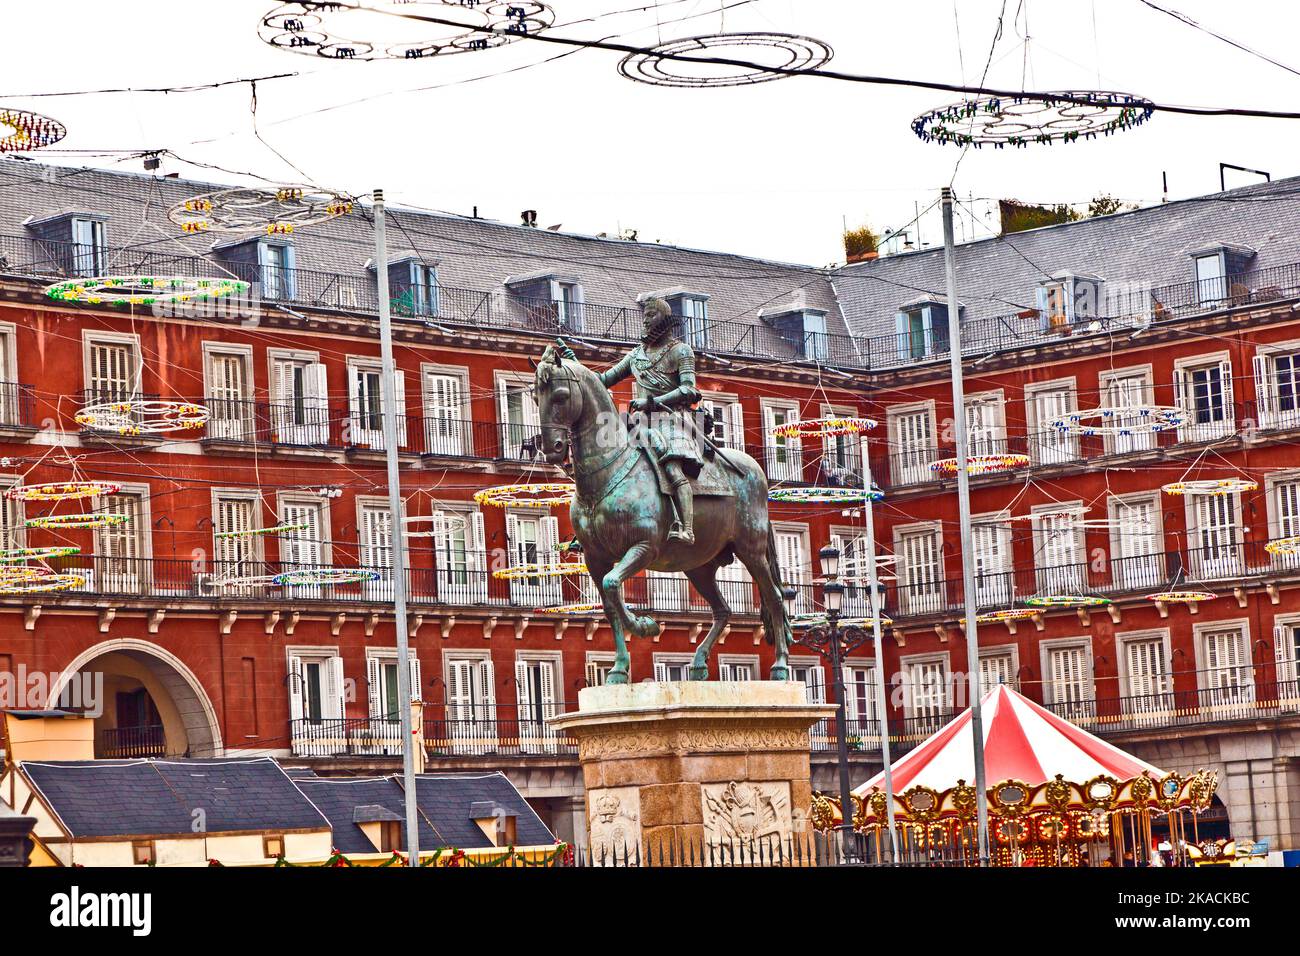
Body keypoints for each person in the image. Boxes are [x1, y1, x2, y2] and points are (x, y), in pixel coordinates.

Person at [598, 297, 703, 544]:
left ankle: (687, 528)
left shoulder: (681, 351)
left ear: (665, 320)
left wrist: (653, 402)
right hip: (640, 422)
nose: (645, 320)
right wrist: (575, 371)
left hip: (672, 418)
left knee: (672, 467)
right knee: (606, 459)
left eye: (651, 314)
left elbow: (689, 389)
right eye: (644, 315)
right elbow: (605, 380)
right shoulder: (636, 355)